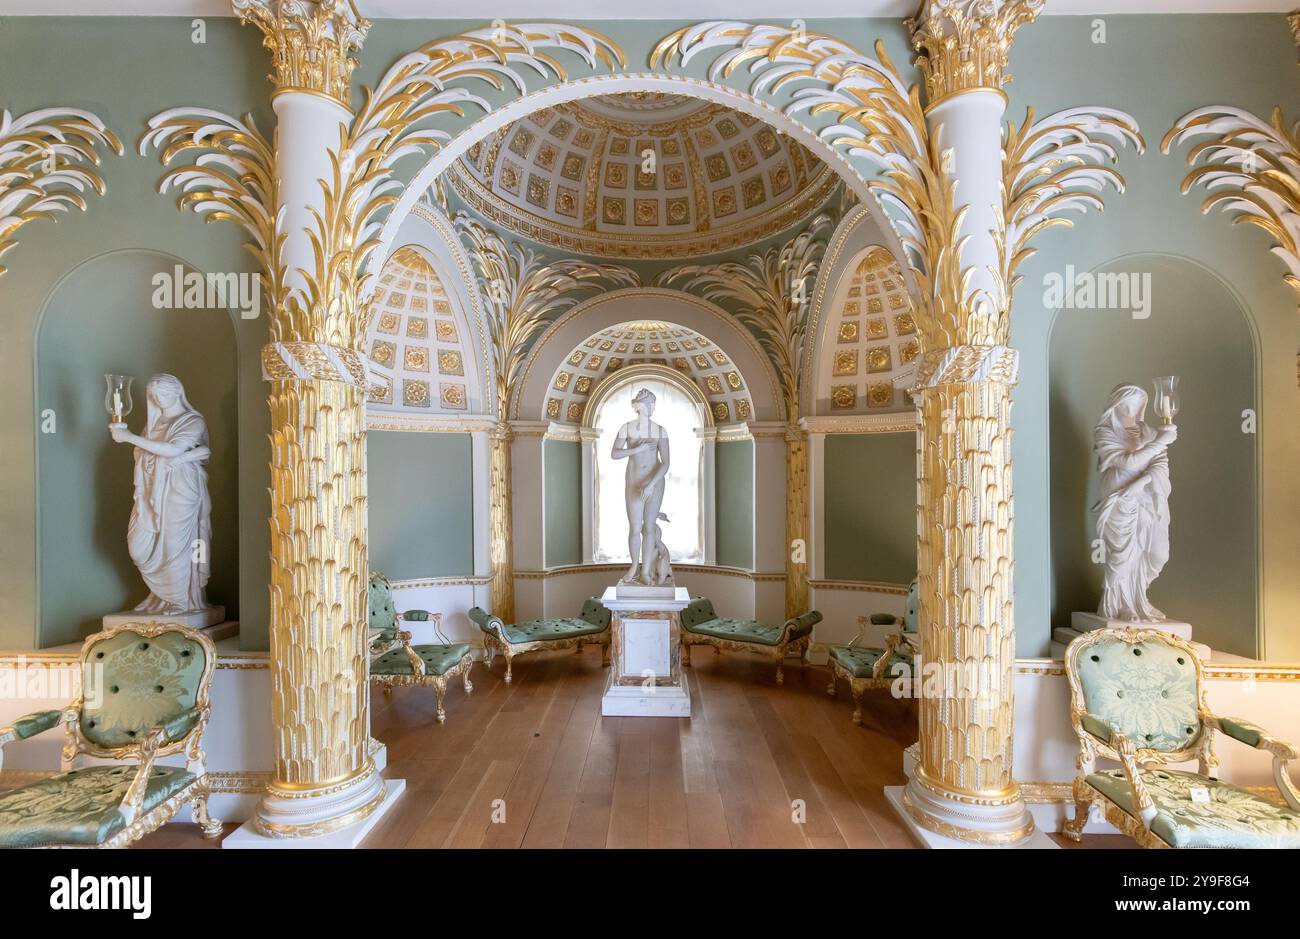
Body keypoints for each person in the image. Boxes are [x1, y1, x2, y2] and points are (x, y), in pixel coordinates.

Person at [109, 373, 214, 614]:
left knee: (175, 544)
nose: (160, 399)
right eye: (154, 395)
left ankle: (179, 600)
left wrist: (129, 437)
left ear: (178, 392)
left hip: (180, 489)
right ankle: (160, 596)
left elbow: (174, 449)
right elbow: (152, 454)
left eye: (164, 393)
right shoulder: (154, 424)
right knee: (139, 547)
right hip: (150, 490)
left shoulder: (192, 420)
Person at [1092, 383, 1177, 621]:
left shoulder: (1148, 431)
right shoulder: (1105, 432)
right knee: (1123, 554)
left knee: (1157, 553)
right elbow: (1126, 462)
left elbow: (1160, 464)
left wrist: (1141, 482)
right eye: (1127, 405)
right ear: (1115, 406)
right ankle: (1121, 605)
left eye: (1138, 406)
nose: (1132, 411)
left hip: (1147, 497)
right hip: (1120, 497)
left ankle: (1141, 599)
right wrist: (1161, 442)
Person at [610, 388, 672, 586]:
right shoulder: (626, 428)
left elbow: (666, 463)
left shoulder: (661, 430)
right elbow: (615, 454)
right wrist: (638, 448)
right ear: (641, 407)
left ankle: (646, 571)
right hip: (634, 482)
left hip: (654, 482)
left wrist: (652, 484)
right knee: (635, 527)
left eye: (653, 404)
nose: (653, 407)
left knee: (650, 527)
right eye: (650, 404)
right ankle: (634, 567)